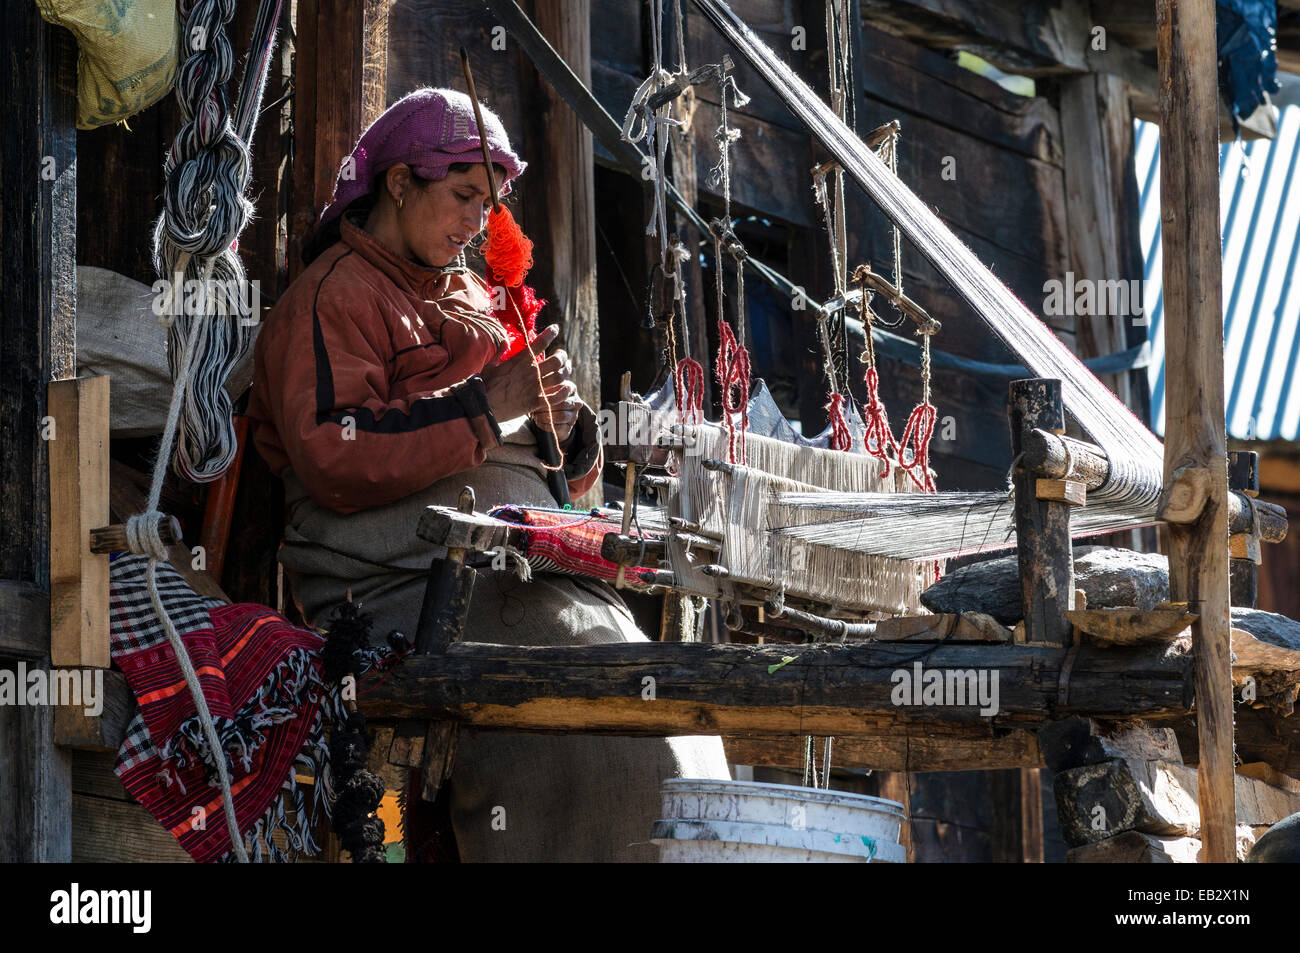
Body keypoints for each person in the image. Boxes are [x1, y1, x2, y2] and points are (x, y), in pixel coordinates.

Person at [247, 87, 728, 862]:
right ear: (400, 183)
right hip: (403, 584)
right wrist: (485, 405)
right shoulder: (336, 295)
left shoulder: (479, 295)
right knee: (585, 716)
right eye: (464, 195)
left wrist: (563, 430)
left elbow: (568, 490)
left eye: (490, 202)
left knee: (659, 687)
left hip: (521, 575)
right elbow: (332, 454)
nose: (478, 221)